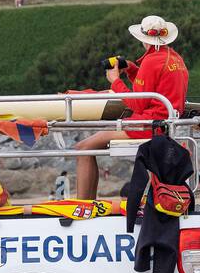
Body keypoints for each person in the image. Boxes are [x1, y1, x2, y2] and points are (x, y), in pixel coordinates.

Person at [74, 14, 188, 199]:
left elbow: (138, 104)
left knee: (83, 147)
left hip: (148, 124)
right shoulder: (175, 58)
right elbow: (153, 87)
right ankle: (87, 204)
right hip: (164, 124)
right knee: (88, 146)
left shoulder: (151, 61)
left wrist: (115, 81)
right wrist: (132, 69)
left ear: (143, 39)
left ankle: (83, 204)